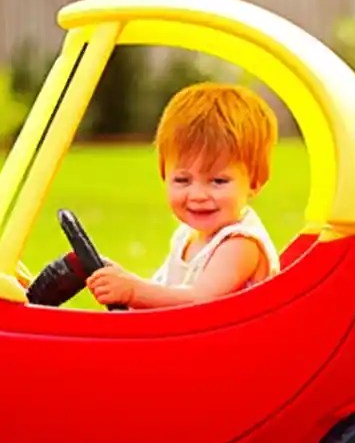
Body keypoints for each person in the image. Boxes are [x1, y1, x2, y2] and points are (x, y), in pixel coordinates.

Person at [86, 82, 281, 310]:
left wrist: (134, 290)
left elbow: (200, 301)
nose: (198, 195)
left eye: (218, 181)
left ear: (255, 183)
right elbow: (163, 292)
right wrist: (119, 279)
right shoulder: (187, 237)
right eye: (182, 180)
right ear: (164, 176)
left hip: (234, 345)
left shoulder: (240, 244)